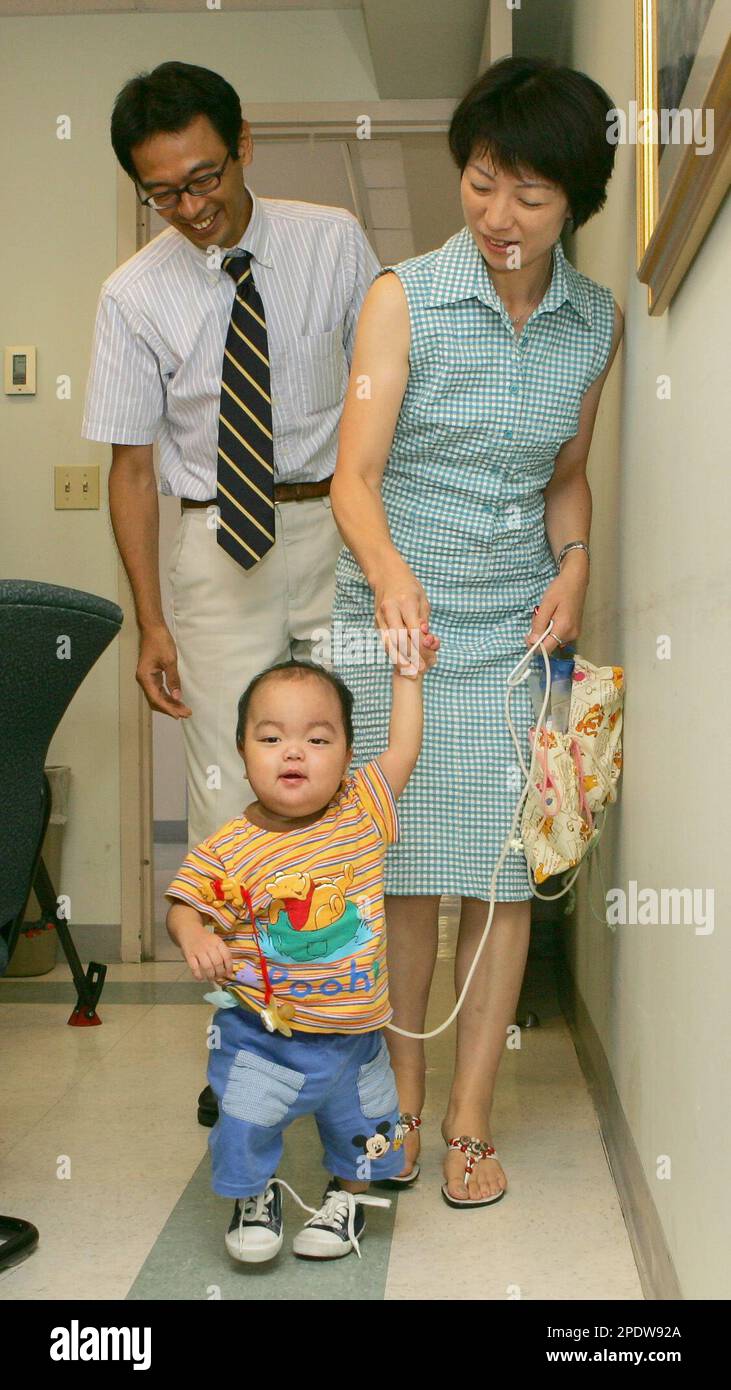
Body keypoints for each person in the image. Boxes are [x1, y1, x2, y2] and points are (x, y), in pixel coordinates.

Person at [328, 56, 625, 1208]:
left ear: (575, 204)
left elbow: (565, 477)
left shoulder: (589, 324)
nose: (498, 217)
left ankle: (465, 1121)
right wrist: (391, 571)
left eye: (529, 197)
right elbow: (352, 475)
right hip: (394, 626)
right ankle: (396, 1107)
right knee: (399, 877)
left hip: (510, 633)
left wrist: (575, 561)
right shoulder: (399, 296)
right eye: (482, 182)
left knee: (501, 878)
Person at [81, 60, 380, 1126]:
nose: (194, 206)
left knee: (350, 775)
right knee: (230, 794)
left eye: (205, 177)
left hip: (335, 525)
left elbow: (383, 384)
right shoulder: (134, 294)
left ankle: (349, 1024)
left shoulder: (332, 238)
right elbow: (128, 465)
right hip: (214, 544)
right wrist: (151, 619)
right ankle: (247, 1042)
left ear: (242, 143)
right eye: (166, 192)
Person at [165, 632, 440, 1263]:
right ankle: (256, 1195)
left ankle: (347, 1198)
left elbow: (403, 747)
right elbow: (185, 906)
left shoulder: (362, 811)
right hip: (263, 1040)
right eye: (271, 738)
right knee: (245, 1125)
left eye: (319, 739)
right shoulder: (229, 847)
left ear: (346, 755)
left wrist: (408, 675)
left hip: (355, 1036)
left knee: (362, 1131)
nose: (295, 751)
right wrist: (196, 934)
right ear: (242, 753)